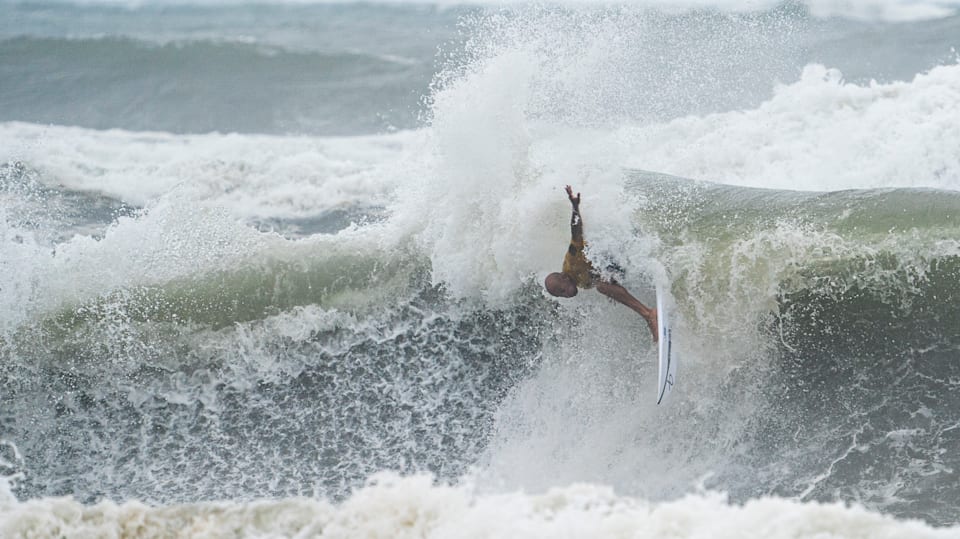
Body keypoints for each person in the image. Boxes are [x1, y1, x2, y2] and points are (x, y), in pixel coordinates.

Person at [544, 185, 659, 342]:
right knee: (605, 286)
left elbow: (576, 232)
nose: (565, 295)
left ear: (564, 278)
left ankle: (648, 315)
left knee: (602, 287)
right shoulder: (578, 281)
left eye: (561, 290)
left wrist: (575, 206)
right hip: (621, 256)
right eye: (561, 295)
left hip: (625, 245)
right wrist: (613, 289)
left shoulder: (572, 262)